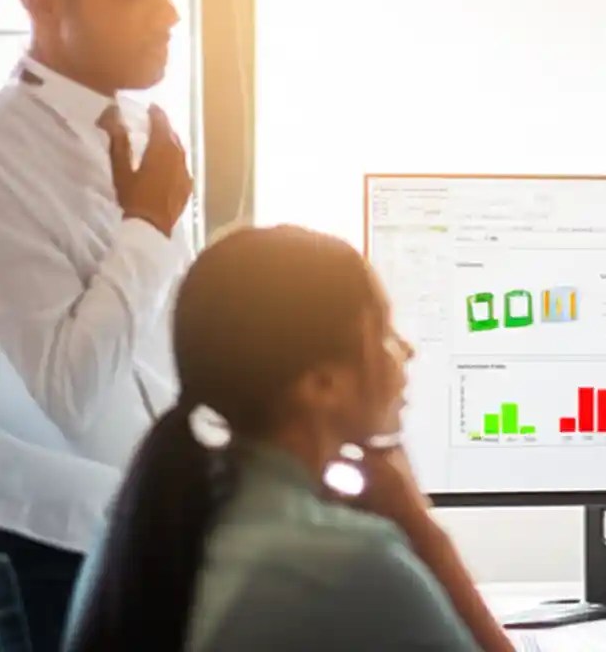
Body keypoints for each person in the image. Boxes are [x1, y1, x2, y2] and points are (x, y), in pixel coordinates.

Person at [61, 225, 514, 651]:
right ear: (321, 384)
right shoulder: (346, 559)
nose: (407, 350)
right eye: (384, 333)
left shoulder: (150, 525)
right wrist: (427, 537)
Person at [0, 0, 191, 648]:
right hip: (52, 557)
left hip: (146, 533)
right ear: (41, 1)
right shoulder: (3, 154)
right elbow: (67, 392)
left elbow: (156, 362)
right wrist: (148, 223)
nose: (170, 14)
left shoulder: (145, 134)